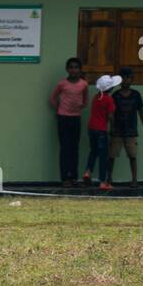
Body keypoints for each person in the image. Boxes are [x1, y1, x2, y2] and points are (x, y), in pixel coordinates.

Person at [49, 57, 89, 188]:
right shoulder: (62, 84)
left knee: (74, 149)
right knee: (65, 148)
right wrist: (58, 109)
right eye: (71, 67)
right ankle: (65, 178)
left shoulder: (83, 84)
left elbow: (85, 101)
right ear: (67, 69)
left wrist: (79, 107)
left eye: (76, 67)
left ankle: (74, 177)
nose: (73, 70)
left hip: (76, 119)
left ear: (80, 70)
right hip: (63, 119)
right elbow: (53, 98)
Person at [108, 68, 143, 189]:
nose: (126, 80)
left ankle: (134, 179)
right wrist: (111, 127)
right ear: (119, 80)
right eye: (123, 78)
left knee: (132, 156)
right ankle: (109, 178)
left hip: (131, 131)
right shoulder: (115, 95)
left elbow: (141, 111)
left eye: (128, 77)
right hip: (117, 131)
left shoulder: (136, 95)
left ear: (132, 79)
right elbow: (111, 113)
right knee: (111, 156)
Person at [83, 75, 119, 191]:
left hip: (91, 128)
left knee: (93, 151)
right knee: (103, 156)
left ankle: (88, 171)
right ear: (110, 89)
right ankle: (103, 182)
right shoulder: (109, 99)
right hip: (101, 130)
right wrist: (113, 127)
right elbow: (110, 115)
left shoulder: (96, 97)